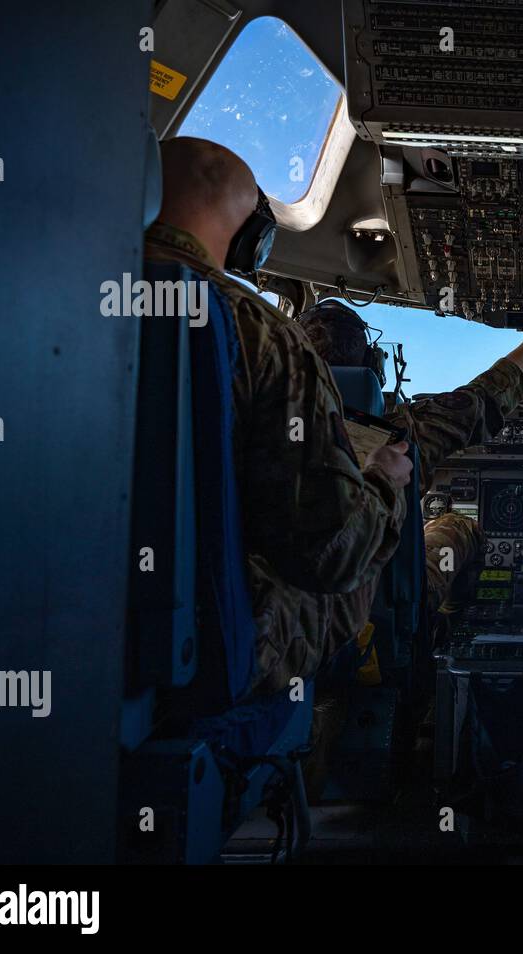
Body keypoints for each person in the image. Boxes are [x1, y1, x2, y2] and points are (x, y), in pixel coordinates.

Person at [145, 136, 415, 699]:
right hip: (214, 651)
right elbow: (333, 554)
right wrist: (385, 483)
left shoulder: (58, 296)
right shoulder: (261, 333)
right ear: (252, 238)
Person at [297, 294, 523, 632]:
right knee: (457, 526)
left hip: (291, 624)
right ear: (374, 367)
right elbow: (483, 398)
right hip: (373, 613)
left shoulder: (258, 429)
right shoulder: (401, 431)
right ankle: (445, 624)